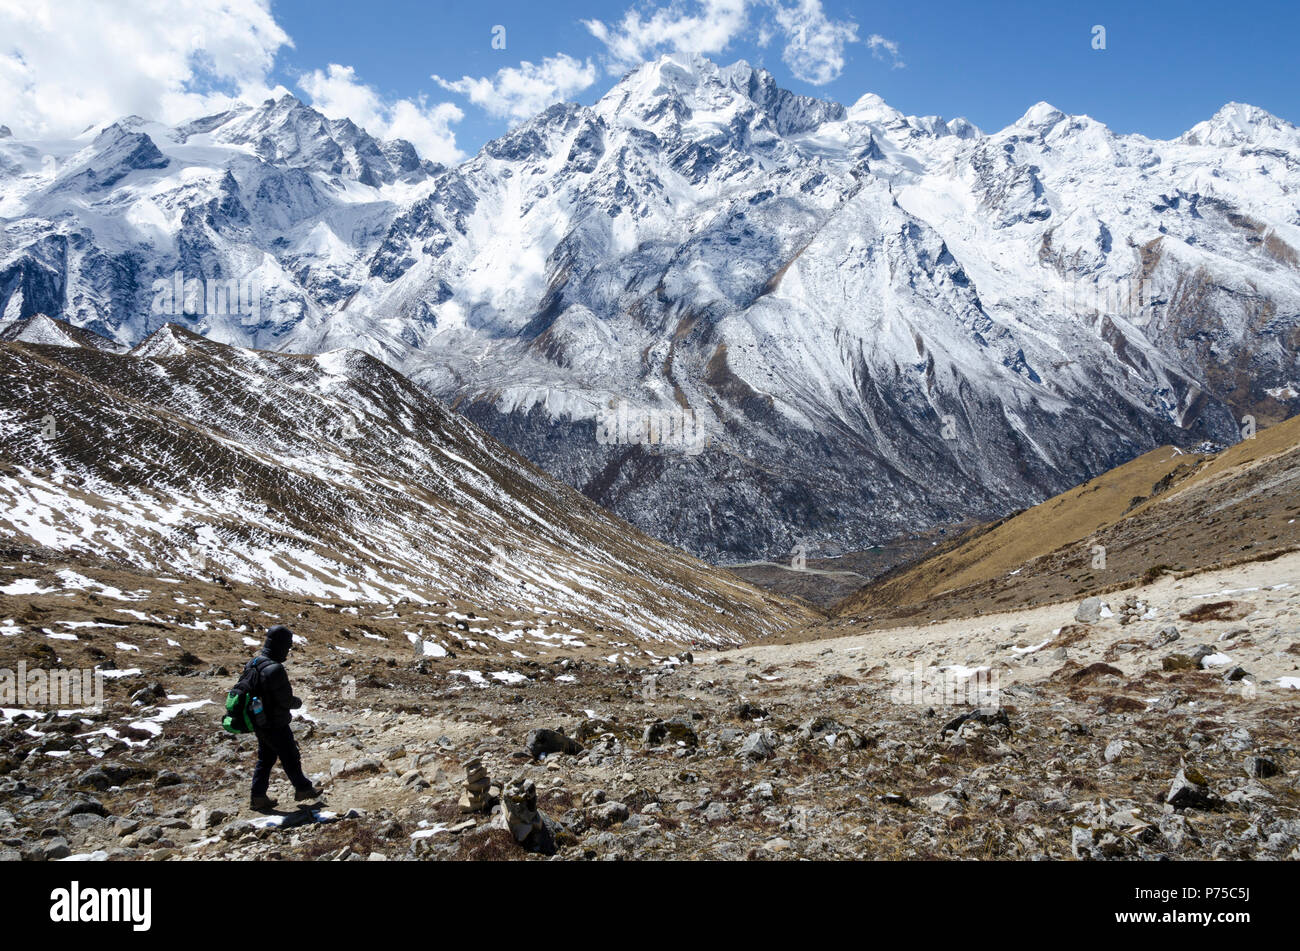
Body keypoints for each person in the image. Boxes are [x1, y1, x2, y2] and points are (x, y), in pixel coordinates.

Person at [246, 625, 322, 811]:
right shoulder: (275, 669)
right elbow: (286, 700)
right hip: (275, 722)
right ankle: (303, 789)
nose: (288, 651)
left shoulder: (254, 663)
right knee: (290, 755)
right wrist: (297, 702)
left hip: (259, 720)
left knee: (266, 757)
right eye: (287, 646)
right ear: (280, 645)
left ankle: (258, 797)